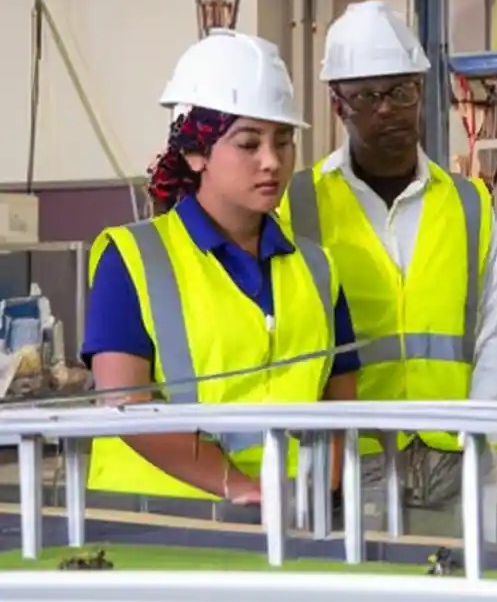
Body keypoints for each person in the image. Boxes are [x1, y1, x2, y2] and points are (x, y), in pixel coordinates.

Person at [80, 29, 359, 516]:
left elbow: (340, 397)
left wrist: (323, 487)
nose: (272, 162)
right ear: (196, 153)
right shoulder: (132, 258)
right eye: (248, 143)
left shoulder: (316, 266)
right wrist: (239, 484)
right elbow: (124, 403)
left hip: (290, 519)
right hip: (157, 523)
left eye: (284, 141)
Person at [278, 1, 497, 536]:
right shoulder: (297, 208)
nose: (387, 109)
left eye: (401, 92)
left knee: (457, 598)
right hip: (351, 454)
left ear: (419, 92)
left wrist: (477, 435)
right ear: (337, 104)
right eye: (366, 96)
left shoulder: (471, 205)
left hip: (454, 452)